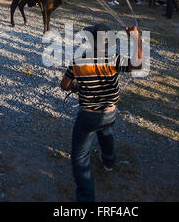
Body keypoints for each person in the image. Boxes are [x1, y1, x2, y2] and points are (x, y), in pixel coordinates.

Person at [60, 22, 143, 202]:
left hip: (88, 116)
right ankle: (109, 161)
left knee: (80, 158)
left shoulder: (78, 61)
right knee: (105, 131)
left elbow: (64, 85)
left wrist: (75, 86)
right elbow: (138, 65)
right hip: (109, 112)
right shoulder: (114, 59)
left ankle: (85, 200)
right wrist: (136, 38)